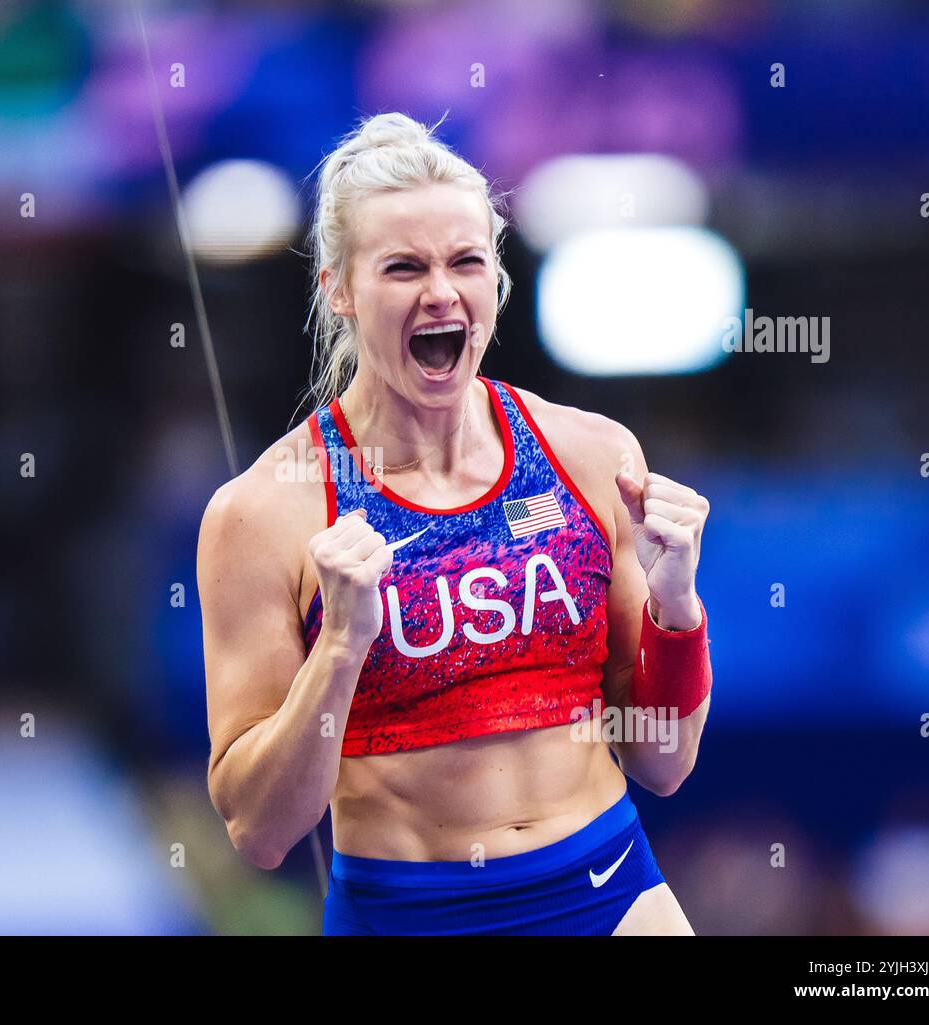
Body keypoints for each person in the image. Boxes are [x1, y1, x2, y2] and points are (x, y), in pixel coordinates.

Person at [198, 112, 713, 935]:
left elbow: (663, 761)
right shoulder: (265, 512)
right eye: (403, 267)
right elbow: (259, 830)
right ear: (337, 287)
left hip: (609, 891)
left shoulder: (590, 456)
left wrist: (677, 608)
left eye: (465, 261)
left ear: (496, 275)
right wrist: (339, 647)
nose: (441, 292)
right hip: (409, 914)